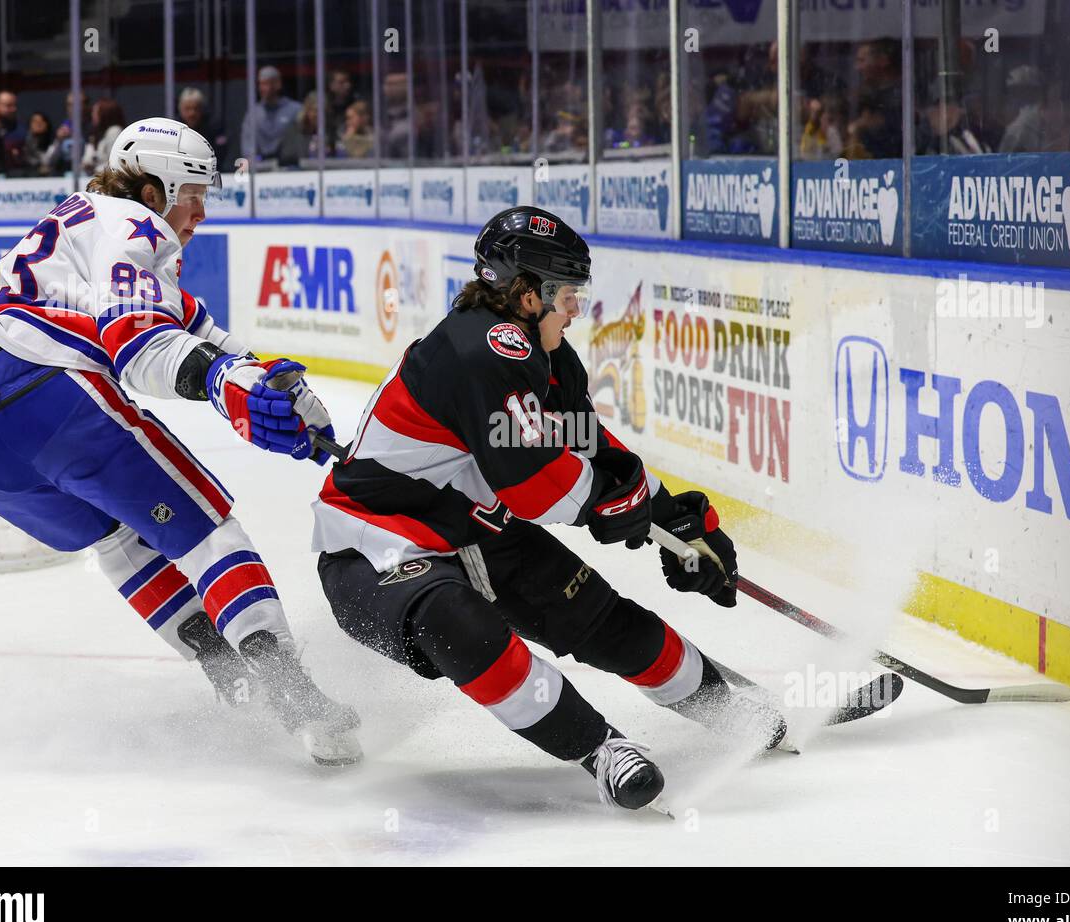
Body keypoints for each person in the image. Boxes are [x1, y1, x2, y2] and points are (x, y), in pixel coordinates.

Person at [315, 206, 788, 813]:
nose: (575, 309)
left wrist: (675, 515)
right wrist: (617, 507)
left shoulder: (547, 353)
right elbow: (536, 484)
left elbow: (587, 444)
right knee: (456, 621)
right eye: (567, 295)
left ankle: (735, 713)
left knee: (606, 622)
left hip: (478, 534)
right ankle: (601, 751)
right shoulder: (480, 348)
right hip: (373, 550)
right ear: (525, 292)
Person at [0, 117, 361, 766]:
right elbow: (140, 343)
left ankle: (229, 674)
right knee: (209, 533)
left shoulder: (76, 225)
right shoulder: (137, 224)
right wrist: (220, 381)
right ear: (154, 187)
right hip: (45, 398)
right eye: (194, 194)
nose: (201, 214)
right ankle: (293, 696)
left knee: (119, 538)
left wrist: (274, 382)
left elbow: (189, 323)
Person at [240, 66, 300, 162]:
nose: (263, 88)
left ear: (278, 84)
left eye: (267, 83)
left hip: (290, 168)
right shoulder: (253, 114)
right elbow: (248, 149)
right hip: (261, 169)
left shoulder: (294, 110)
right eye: (261, 84)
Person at [80, 98, 125, 174]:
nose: (92, 115)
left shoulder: (114, 131)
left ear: (105, 113)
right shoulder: (97, 132)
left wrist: (95, 169)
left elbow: (115, 162)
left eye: (95, 112)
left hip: (109, 180)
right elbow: (88, 160)